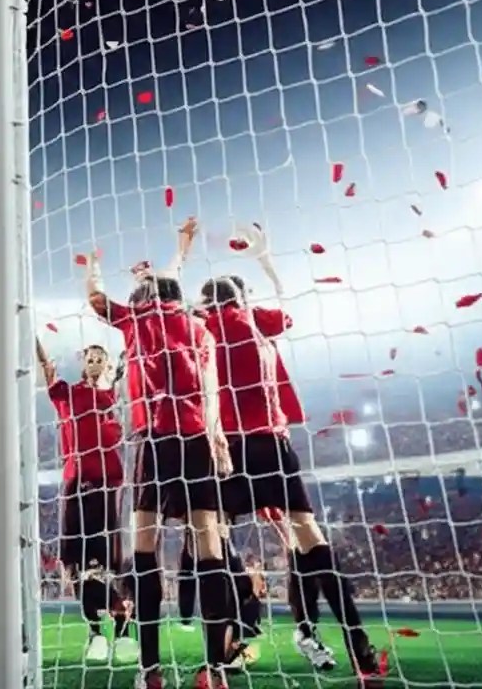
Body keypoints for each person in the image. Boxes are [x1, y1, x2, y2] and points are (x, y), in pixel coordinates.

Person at [199, 274, 383, 679]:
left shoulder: (203, 327)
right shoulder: (258, 321)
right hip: (270, 444)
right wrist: (265, 265)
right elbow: (285, 316)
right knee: (309, 540)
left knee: (212, 543)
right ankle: (360, 649)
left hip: (225, 446)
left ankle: (217, 660)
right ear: (241, 298)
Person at [83, 222, 237, 689]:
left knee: (145, 549)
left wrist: (92, 268)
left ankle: (149, 669)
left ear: (144, 297)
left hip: (154, 442)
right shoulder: (201, 329)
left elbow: (95, 299)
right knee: (209, 546)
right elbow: (212, 390)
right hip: (197, 441)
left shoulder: (137, 320)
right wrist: (218, 438)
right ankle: (215, 669)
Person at [34, 338, 137, 663]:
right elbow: (45, 368)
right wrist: (33, 334)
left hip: (109, 484)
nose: (93, 362)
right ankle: (95, 630)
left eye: (99, 359)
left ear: (108, 367)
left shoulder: (116, 399)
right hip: (74, 482)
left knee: (107, 561)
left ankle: (121, 629)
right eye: (89, 358)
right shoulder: (68, 393)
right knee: (75, 561)